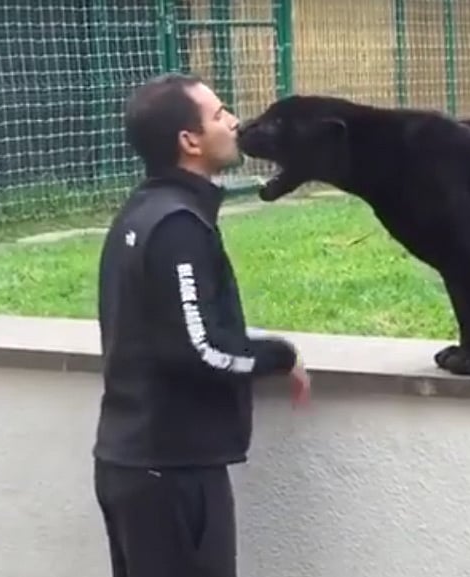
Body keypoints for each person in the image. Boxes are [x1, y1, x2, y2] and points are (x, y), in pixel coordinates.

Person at [92, 72, 310, 577]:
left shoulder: (142, 213)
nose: (233, 121)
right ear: (189, 142)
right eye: (218, 115)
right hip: (170, 471)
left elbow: (171, 328)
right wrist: (280, 356)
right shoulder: (176, 227)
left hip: (137, 462)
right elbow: (200, 348)